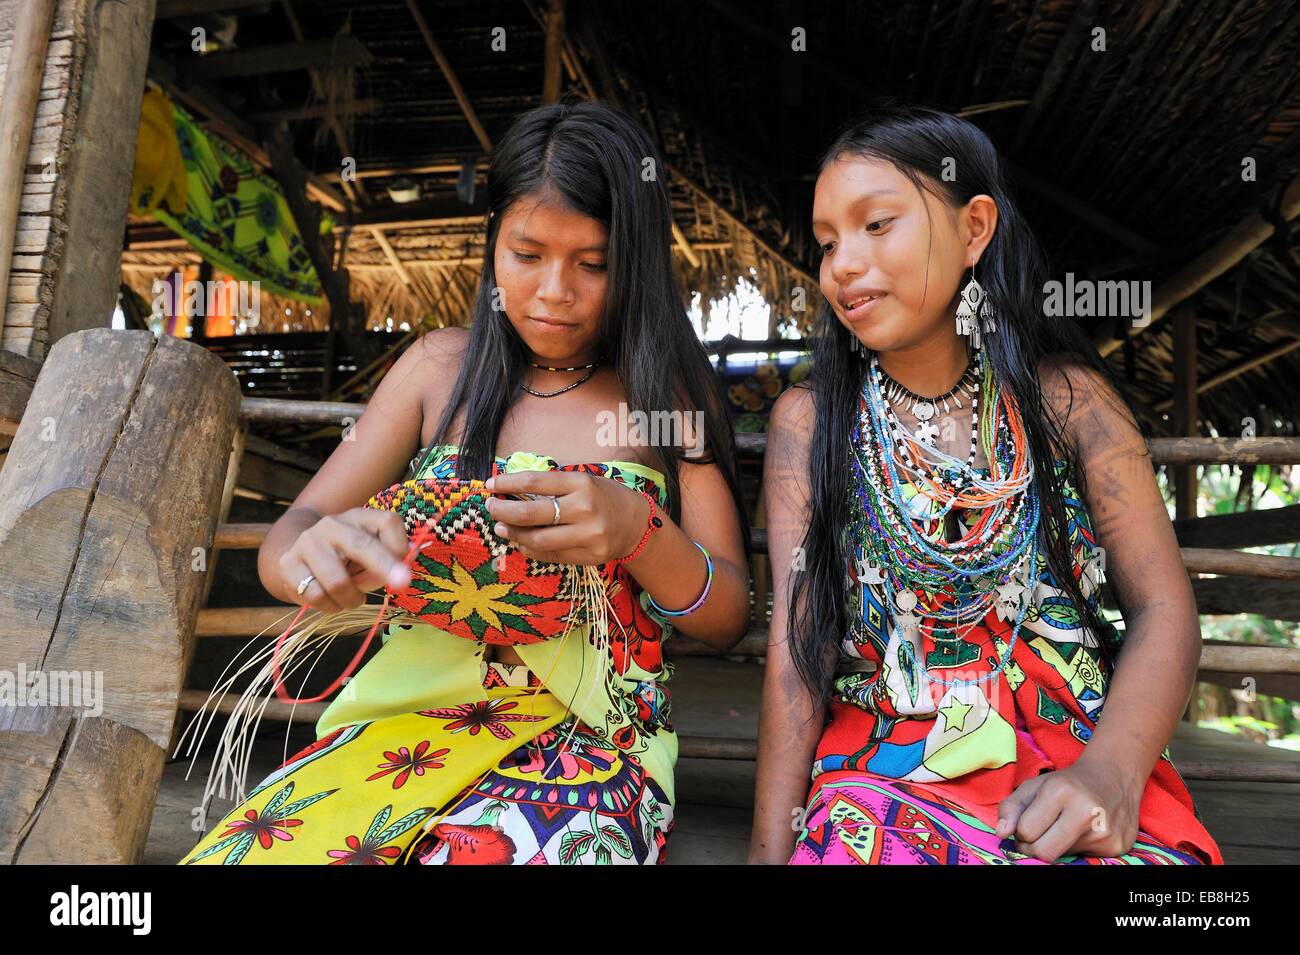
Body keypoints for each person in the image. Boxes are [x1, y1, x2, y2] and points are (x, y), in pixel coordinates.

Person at [178, 100, 750, 866]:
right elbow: (293, 536)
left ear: (637, 261)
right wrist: (320, 555)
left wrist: (639, 530)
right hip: (399, 732)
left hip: (585, 748)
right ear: (490, 247)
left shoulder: (668, 395)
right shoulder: (436, 371)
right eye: (527, 253)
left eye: (595, 262)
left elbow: (727, 615)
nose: (555, 290)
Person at [749, 102, 1223, 865]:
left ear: (974, 228)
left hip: (1073, 760)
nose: (841, 262)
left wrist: (1109, 773)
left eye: (877, 225)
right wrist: (768, 856)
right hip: (886, 774)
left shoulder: (1070, 404)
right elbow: (797, 651)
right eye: (828, 241)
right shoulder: (811, 424)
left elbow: (1166, 606)